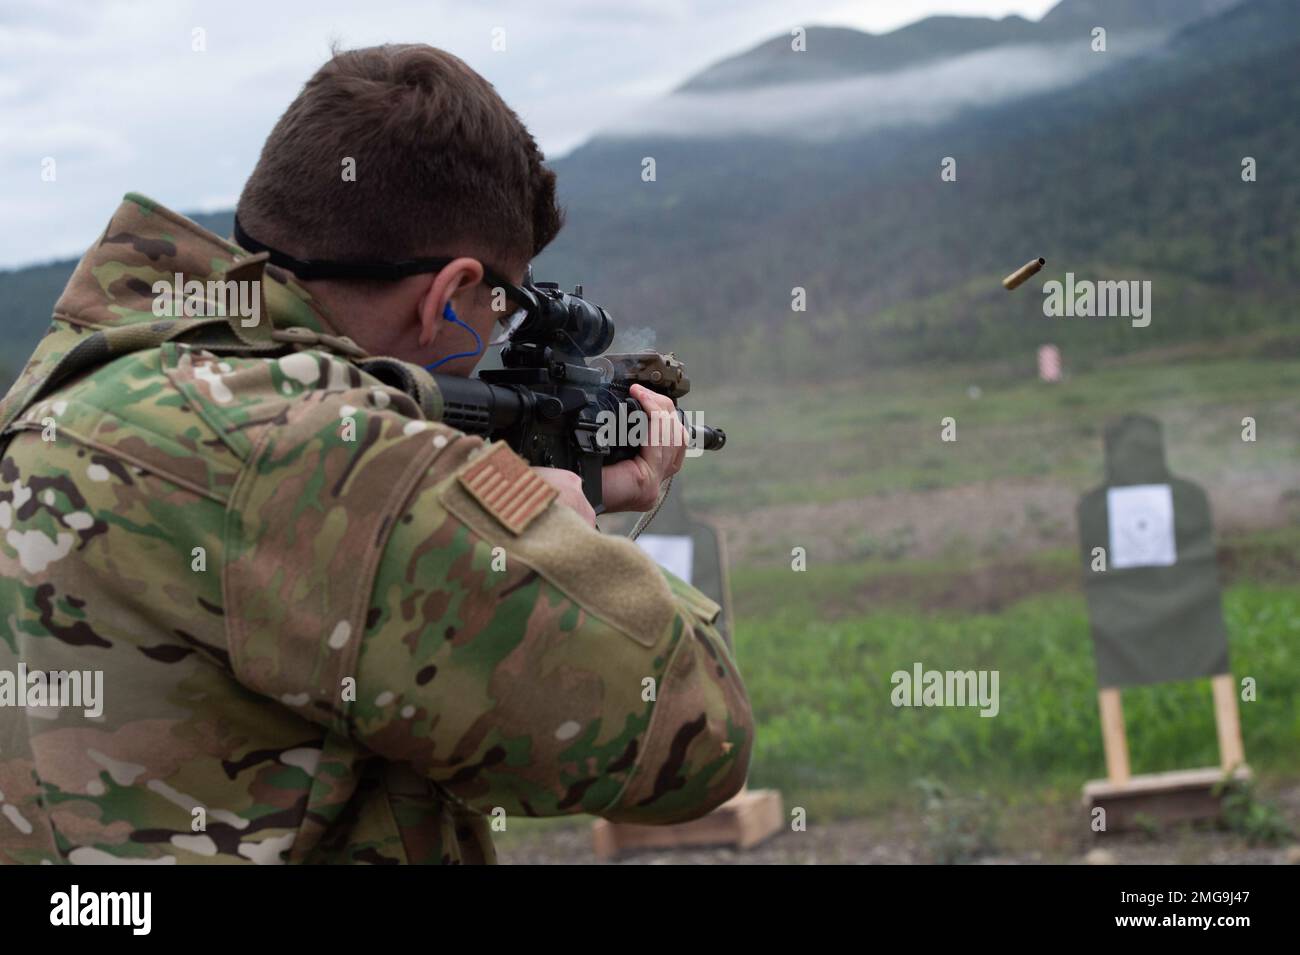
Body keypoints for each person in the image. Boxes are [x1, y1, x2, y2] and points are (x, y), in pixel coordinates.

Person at [0, 44, 752, 865]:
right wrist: (542, 525)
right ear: (445, 296)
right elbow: (697, 731)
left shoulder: (70, 387)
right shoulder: (319, 452)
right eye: (498, 315)